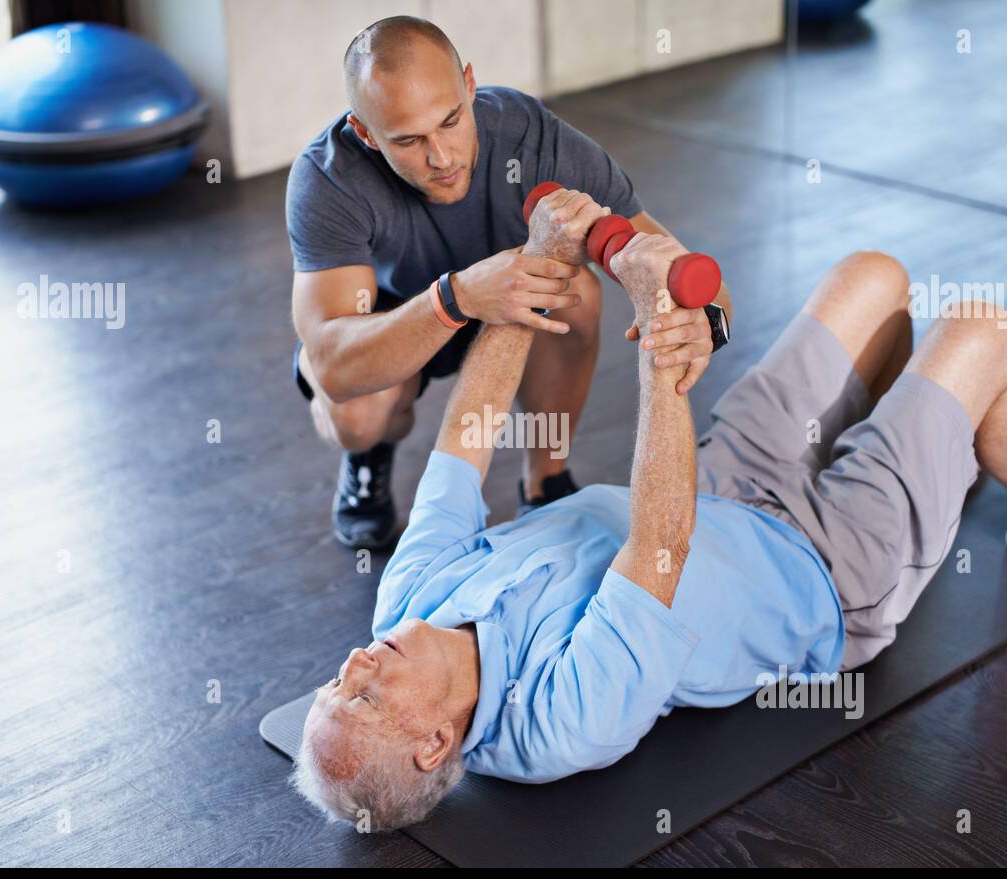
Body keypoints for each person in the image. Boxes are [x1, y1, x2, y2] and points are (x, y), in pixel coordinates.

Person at [289, 190, 1007, 833]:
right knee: (985, 327)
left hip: (717, 482)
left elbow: (465, 441)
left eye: (335, 680)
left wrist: (529, 270)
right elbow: (662, 544)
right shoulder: (559, 721)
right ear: (434, 743)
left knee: (874, 276)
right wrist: (663, 323)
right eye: (363, 697)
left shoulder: (407, 604)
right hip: (826, 570)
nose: (355, 660)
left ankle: (925, 456)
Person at [287, 15, 731, 548]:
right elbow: (334, 364)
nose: (441, 157)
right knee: (358, 415)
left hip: (509, 305)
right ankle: (369, 455)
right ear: (366, 133)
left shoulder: (530, 135)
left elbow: (684, 268)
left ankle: (546, 479)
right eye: (408, 140)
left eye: (451, 120)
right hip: (394, 319)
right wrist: (459, 296)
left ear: (469, 85)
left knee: (577, 294)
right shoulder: (328, 177)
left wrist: (708, 323)